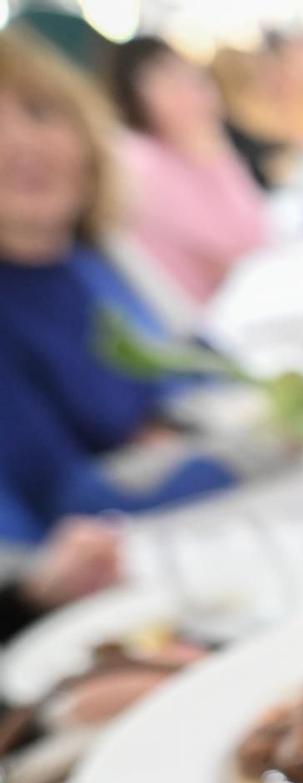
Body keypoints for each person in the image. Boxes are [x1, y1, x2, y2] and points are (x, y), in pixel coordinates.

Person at [0, 30, 232, 544]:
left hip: (207, 529)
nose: (21, 144)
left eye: (39, 113)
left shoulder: (100, 260)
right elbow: (59, 501)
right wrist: (235, 452)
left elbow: (202, 367)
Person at [107, 36, 268, 309]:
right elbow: (239, 244)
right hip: (203, 323)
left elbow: (256, 233)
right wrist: (211, 151)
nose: (190, 90)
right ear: (135, 94)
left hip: (229, 308)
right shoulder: (138, 159)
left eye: (192, 78)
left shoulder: (189, 146)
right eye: (171, 80)